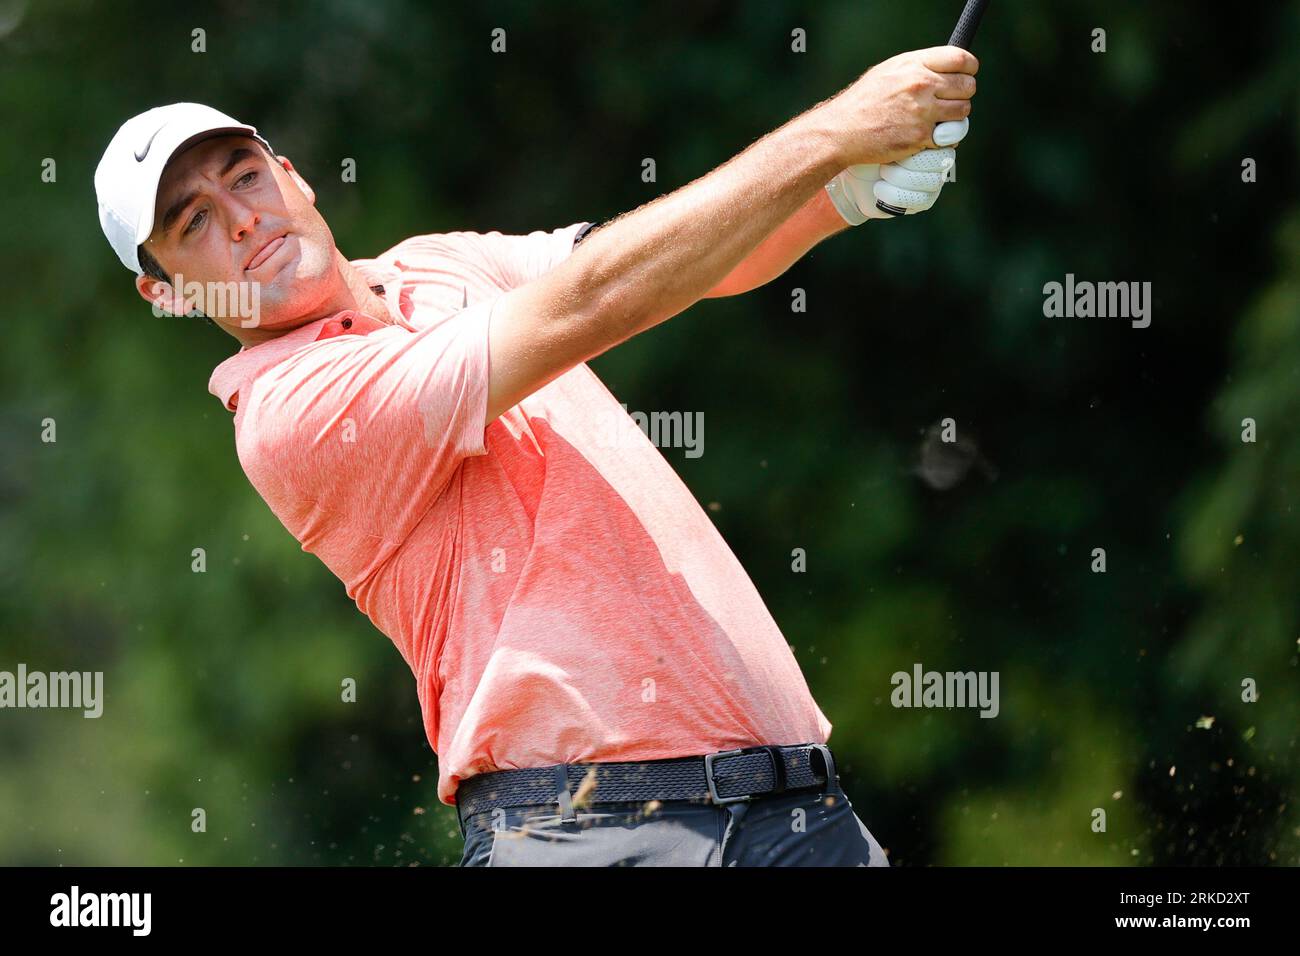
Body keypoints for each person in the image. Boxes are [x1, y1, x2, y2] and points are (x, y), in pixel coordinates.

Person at [93, 44, 977, 866]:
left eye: (245, 177)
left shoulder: (440, 264)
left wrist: (848, 192)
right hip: (583, 833)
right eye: (194, 223)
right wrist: (832, 131)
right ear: (164, 294)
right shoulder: (289, 412)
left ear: (293, 176)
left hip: (798, 812)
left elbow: (694, 263)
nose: (243, 220)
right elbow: (590, 302)